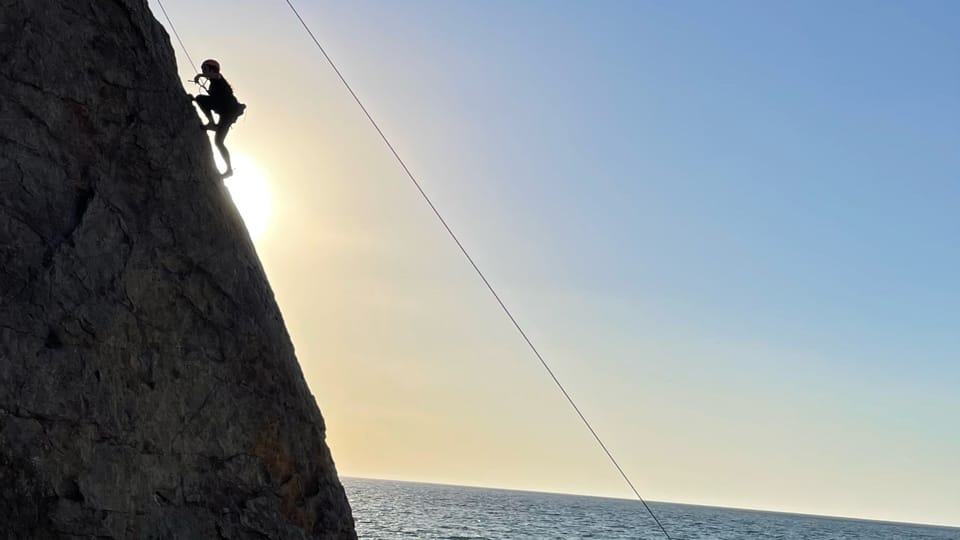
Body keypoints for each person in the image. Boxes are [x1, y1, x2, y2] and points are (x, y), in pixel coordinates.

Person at [191, 59, 245, 178]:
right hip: (227, 115)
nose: (203, 71)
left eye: (204, 69)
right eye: (202, 69)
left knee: (200, 98)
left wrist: (200, 76)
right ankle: (229, 170)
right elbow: (210, 102)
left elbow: (215, 76)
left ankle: (211, 123)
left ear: (211, 69)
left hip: (228, 114)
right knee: (218, 142)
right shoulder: (214, 84)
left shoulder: (219, 78)